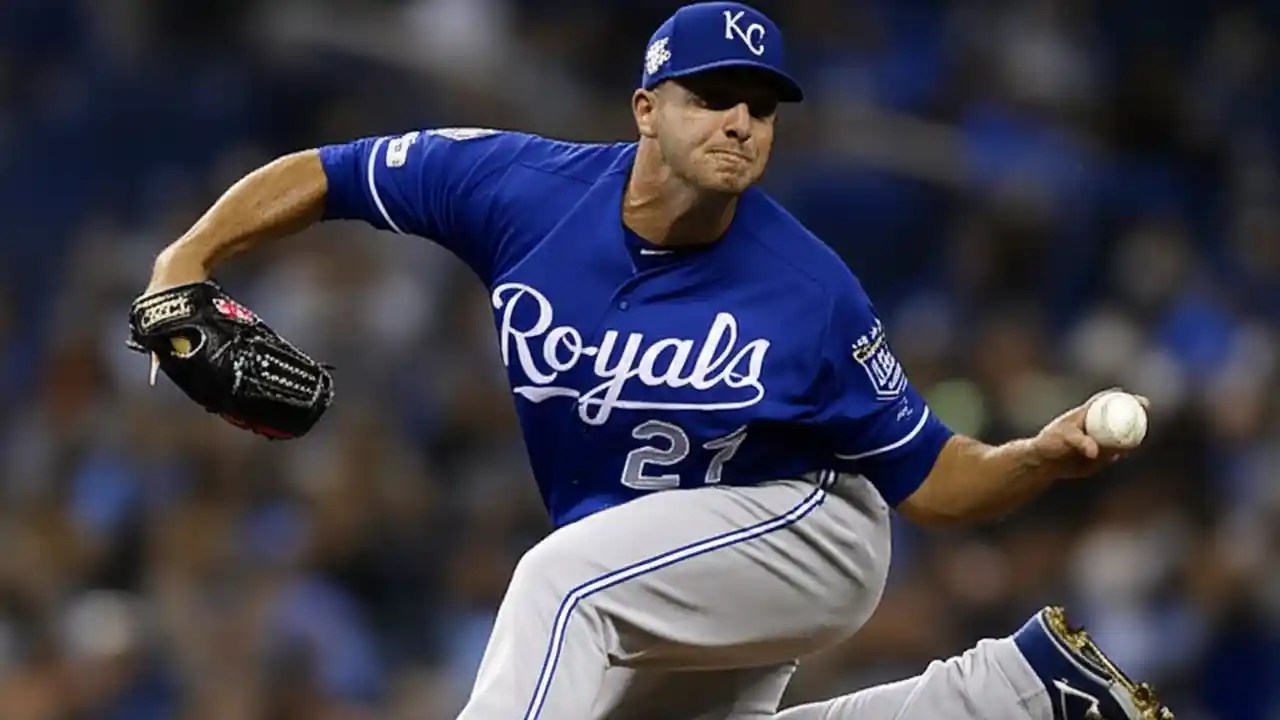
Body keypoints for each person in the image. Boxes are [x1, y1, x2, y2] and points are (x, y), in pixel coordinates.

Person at [135, 2, 1174, 718]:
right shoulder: (517, 190)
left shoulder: (805, 288)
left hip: (805, 525)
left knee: (561, 587)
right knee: (585, 595)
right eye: (709, 94)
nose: (737, 120)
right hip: (666, 558)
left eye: (758, 104)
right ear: (645, 108)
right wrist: (185, 259)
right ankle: (1021, 695)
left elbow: (931, 477)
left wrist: (1035, 456)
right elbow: (326, 173)